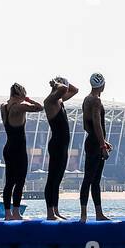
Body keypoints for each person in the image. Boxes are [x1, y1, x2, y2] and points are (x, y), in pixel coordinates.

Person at [1, 83, 43, 220]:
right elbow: (40, 107)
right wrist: (29, 100)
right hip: (18, 149)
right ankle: (16, 213)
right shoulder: (19, 107)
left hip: (8, 147)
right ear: (19, 94)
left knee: (9, 182)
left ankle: (7, 214)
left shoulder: (4, 107)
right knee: (20, 181)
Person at [42, 77, 78, 220]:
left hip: (63, 145)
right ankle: (50, 213)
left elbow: (75, 90)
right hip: (56, 144)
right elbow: (63, 89)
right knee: (52, 178)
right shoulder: (49, 101)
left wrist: (64, 81)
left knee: (58, 179)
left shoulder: (60, 101)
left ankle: (56, 211)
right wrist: (57, 84)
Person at [80, 73, 111, 223]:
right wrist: (102, 144)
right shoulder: (96, 101)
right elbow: (97, 123)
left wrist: (102, 140)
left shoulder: (86, 99)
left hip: (91, 140)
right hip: (95, 144)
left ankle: (96, 213)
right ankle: (84, 216)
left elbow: (87, 125)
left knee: (93, 180)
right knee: (90, 179)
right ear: (102, 85)